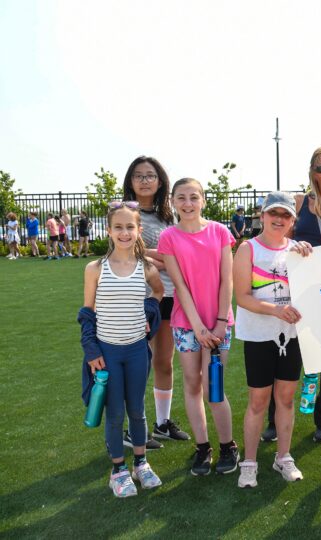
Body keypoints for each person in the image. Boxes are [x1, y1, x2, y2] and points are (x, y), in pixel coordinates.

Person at [262, 144, 321, 444]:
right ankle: (275, 420)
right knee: (287, 356)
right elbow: (278, 241)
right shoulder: (299, 203)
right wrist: (293, 246)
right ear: (312, 171)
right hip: (295, 292)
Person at [78, 201, 164, 497]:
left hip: (137, 350)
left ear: (139, 230)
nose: (124, 232)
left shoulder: (147, 267)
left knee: (137, 410)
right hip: (108, 353)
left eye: (130, 227)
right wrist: (91, 350)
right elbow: (87, 312)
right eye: (118, 227)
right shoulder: (95, 268)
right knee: (115, 413)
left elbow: (159, 291)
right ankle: (118, 470)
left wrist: (149, 313)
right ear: (109, 230)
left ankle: (141, 463)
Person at [158, 178, 240, 476]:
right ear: (173, 202)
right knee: (192, 384)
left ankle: (228, 446)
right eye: (181, 197)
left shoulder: (219, 232)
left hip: (219, 323)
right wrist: (198, 328)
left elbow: (227, 280)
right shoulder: (169, 237)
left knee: (213, 387)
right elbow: (179, 285)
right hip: (186, 324)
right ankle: (203, 447)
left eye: (194, 197)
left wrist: (219, 323)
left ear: (203, 200)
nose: (188, 203)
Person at [233, 192, 312, 488]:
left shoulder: (298, 250)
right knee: (258, 400)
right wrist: (276, 310)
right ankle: (249, 462)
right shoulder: (247, 249)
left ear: (293, 220)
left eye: (286, 215)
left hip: (291, 336)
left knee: (286, 398)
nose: (279, 220)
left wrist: (308, 257)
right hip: (259, 335)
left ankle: (283, 456)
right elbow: (242, 297)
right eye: (273, 214)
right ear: (262, 216)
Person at [123, 156, 189, 448]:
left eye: (150, 175)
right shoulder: (124, 212)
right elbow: (124, 250)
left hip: (170, 295)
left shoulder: (170, 216)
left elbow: (181, 255)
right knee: (139, 363)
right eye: (139, 175)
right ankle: (133, 429)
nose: (145, 181)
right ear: (130, 181)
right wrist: (164, 258)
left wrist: (153, 255)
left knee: (164, 361)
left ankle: (162, 424)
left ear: (160, 181)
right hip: (140, 296)